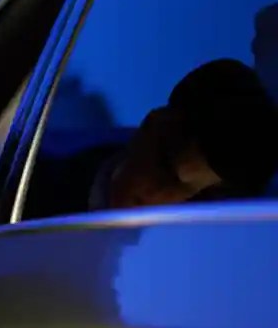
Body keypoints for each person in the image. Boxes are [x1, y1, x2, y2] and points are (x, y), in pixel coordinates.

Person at [25, 58, 278, 219]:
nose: (157, 194)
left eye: (193, 197)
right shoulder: (30, 184)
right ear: (151, 123)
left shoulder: (174, 275)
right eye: (164, 166)